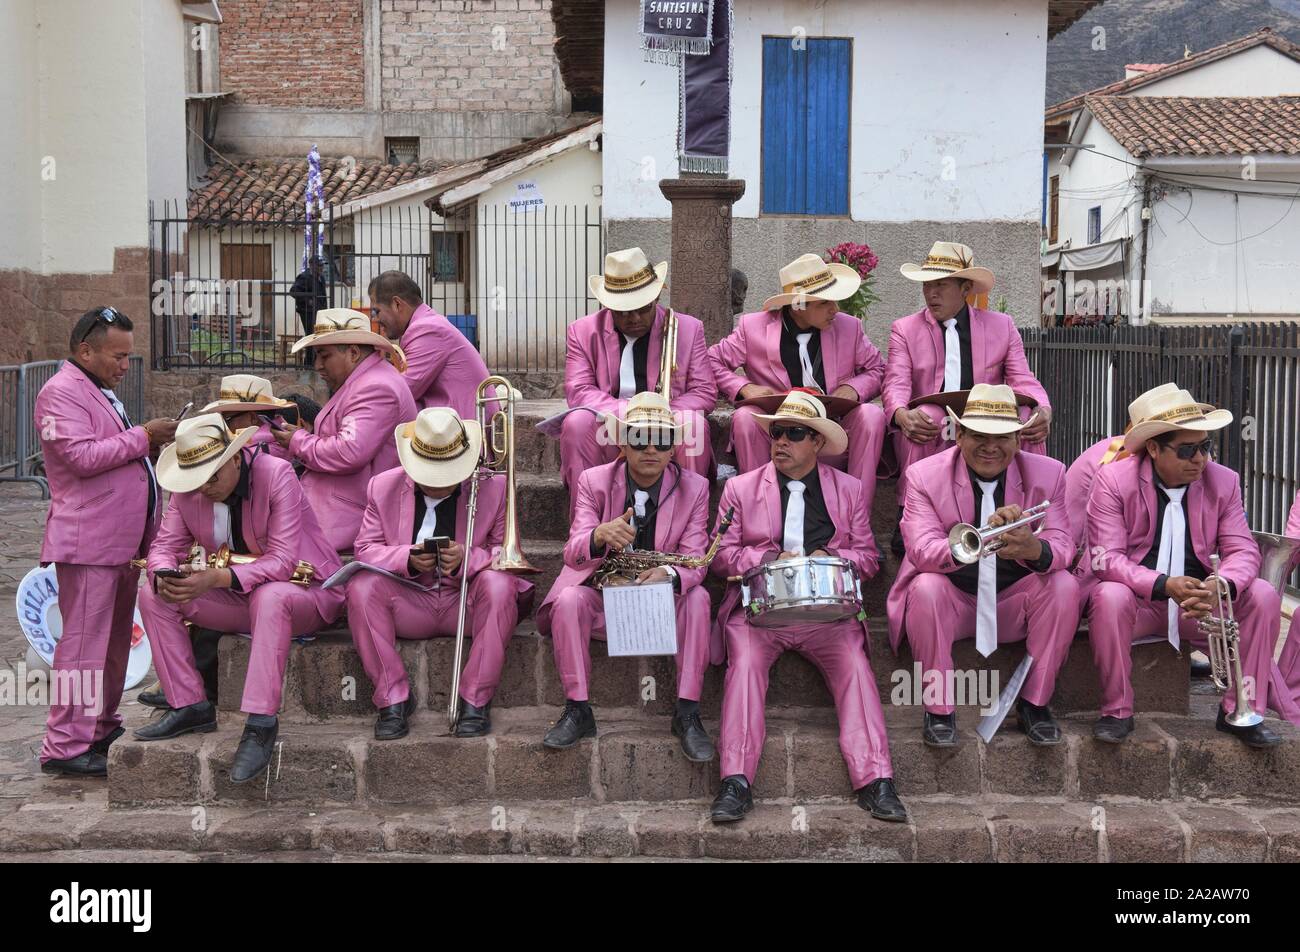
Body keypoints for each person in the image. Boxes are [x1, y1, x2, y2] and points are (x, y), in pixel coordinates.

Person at [708, 391, 905, 823]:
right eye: (776, 432)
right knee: (743, 667)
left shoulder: (849, 490)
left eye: (794, 433)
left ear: (817, 442)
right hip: (758, 613)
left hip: (828, 616)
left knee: (855, 664)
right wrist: (765, 560)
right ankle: (735, 781)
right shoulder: (740, 489)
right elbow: (719, 556)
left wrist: (833, 562)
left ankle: (876, 780)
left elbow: (870, 558)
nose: (780, 441)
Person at [133, 414, 343, 784]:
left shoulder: (277, 474)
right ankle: (190, 705)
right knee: (154, 595)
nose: (203, 488)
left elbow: (282, 561)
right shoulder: (189, 487)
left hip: (307, 593)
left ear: (234, 458)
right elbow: (164, 546)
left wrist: (217, 577)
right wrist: (164, 573)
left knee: (272, 597)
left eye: (211, 477)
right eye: (195, 479)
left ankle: (261, 724)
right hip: (243, 600)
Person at [1086, 387, 1300, 745]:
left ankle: (1241, 709)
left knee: (1262, 593)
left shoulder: (1224, 481)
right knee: (1108, 596)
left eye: (1205, 447)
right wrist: (1163, 584)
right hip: (1141, 601)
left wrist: (1222, 584)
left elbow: (1244, 549)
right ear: (1153, 448)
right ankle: (1116, 709)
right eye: (1187, 450)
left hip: (1200, 603)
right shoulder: (1113, 480)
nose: (1200, 459)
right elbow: (1105, 557)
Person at [886, 384, 1079, 747]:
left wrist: (1032, 548)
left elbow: (1065, 544)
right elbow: (921, 548)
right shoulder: (923, 476)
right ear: (958, 434)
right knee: (925, 587)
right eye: (978, 435)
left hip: (1013, 602)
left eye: (1002, 437)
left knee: (1064, 585)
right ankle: (939, 708)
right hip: (953, 599)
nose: (991, 446)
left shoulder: (1050, 474)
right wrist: (979, 542)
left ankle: (1034, 703)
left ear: (1019, 439)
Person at [34, 307, 176, 776]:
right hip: (88, 542)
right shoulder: (59, 393)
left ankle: (99, 726)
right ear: (85, 351)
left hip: (120, 542)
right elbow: (78, 457)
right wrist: (144, 438)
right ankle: (65, 746)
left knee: (114, 644)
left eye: (128, 357)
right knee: (81, 647)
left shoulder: (96, 389)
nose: (124, 366)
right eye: (117, 356)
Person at [536, 393, 715, 760]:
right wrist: (599, 535)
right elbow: (573, 551)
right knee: (569, 600)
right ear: (622, 442)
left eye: (662, 439)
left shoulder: (696, 487)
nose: (650, 448)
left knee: (698, 598)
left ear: (674, 447)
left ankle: (688, 712)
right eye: (639, 437)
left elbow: (697, 559)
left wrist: (667, 574)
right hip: (605, 598)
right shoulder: (592, 481)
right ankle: (577, 708)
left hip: (663, 601)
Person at [346, 406, 534, 739]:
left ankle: (475, 698)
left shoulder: (496, 487)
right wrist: (406, 558)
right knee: (361, 587)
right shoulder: (381, 487)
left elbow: (507, 555)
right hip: (409, 600)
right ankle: (393, 697)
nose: (436, 483)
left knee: (500, 584)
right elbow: (365, 549)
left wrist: (467, 558)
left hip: (466, 601)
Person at [883, 242, 1051, 552]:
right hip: (934, 420)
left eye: (941, 284)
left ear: (965, 288)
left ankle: (1030, 513)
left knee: (1028, 419)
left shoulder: (1001, 326)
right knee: (926, 418)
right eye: (927, 284)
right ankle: (910, 510)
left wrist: (1042, 407)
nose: (931, 292)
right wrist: (900, 413)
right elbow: (896, 381)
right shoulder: (905, 329)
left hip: (985, 417)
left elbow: (1022, 378)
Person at [709, 253, 888, 519]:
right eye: (825, 302)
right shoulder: (753, 327)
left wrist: (855, 387)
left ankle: (857, 520)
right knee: (745, 418)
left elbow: (878, 368)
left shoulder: (850, 328)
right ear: (799, 304)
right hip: (777, 433)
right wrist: (744, 387)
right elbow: (711, 361)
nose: (835, 310)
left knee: (872, 414)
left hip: (831, 431)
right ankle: (757, 519)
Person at [560, 248, 717, 514]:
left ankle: (687, 526)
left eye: (642, 309)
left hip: (667, 421)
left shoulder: (689, 328)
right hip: (610, 422)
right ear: (607, 306)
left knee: (694, 426)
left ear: (656, 297)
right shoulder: (583, 331)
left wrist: (658, 414)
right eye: (623, 311)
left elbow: (704, 392)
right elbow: (578, 390)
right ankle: (586, 529)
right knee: (576, 424)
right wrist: (629, 414)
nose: (633, 319)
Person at [273, 310, 417, 551]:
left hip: (349, 516)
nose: (317, 365)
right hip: (341, 510)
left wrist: (298, 441)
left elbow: (349, 451)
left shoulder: (375, 387)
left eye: (324, 356)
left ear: (353, 352)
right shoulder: (368, 380)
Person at [367, 270, 491, 420]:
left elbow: (401, 393)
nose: (374, 319)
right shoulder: (426, 324)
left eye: (376, 311)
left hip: (462, 431)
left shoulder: (427, 329)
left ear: (397, 304)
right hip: (452, 423)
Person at [289, 256, 328, 364]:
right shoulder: (304, 277)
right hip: (307, 311)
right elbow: (293, 291)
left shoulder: (320, 278)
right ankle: (309, 363)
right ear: (312, 265)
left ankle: (315, 362)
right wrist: (308, 300)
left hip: (319, 312)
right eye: (319, 266)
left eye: (322, 265)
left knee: (319, 336)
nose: (321, 268)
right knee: (312, 336)